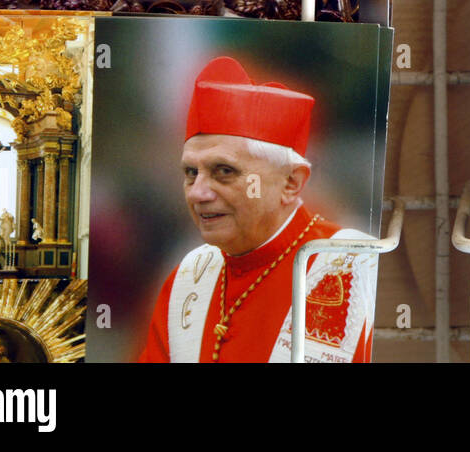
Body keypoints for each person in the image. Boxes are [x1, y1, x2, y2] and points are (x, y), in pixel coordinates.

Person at [138, 56, 376, 363]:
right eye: (191, 172)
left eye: (224, 171)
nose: (198, 192)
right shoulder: (184, 278)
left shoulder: (360, 271)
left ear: (291, 182)